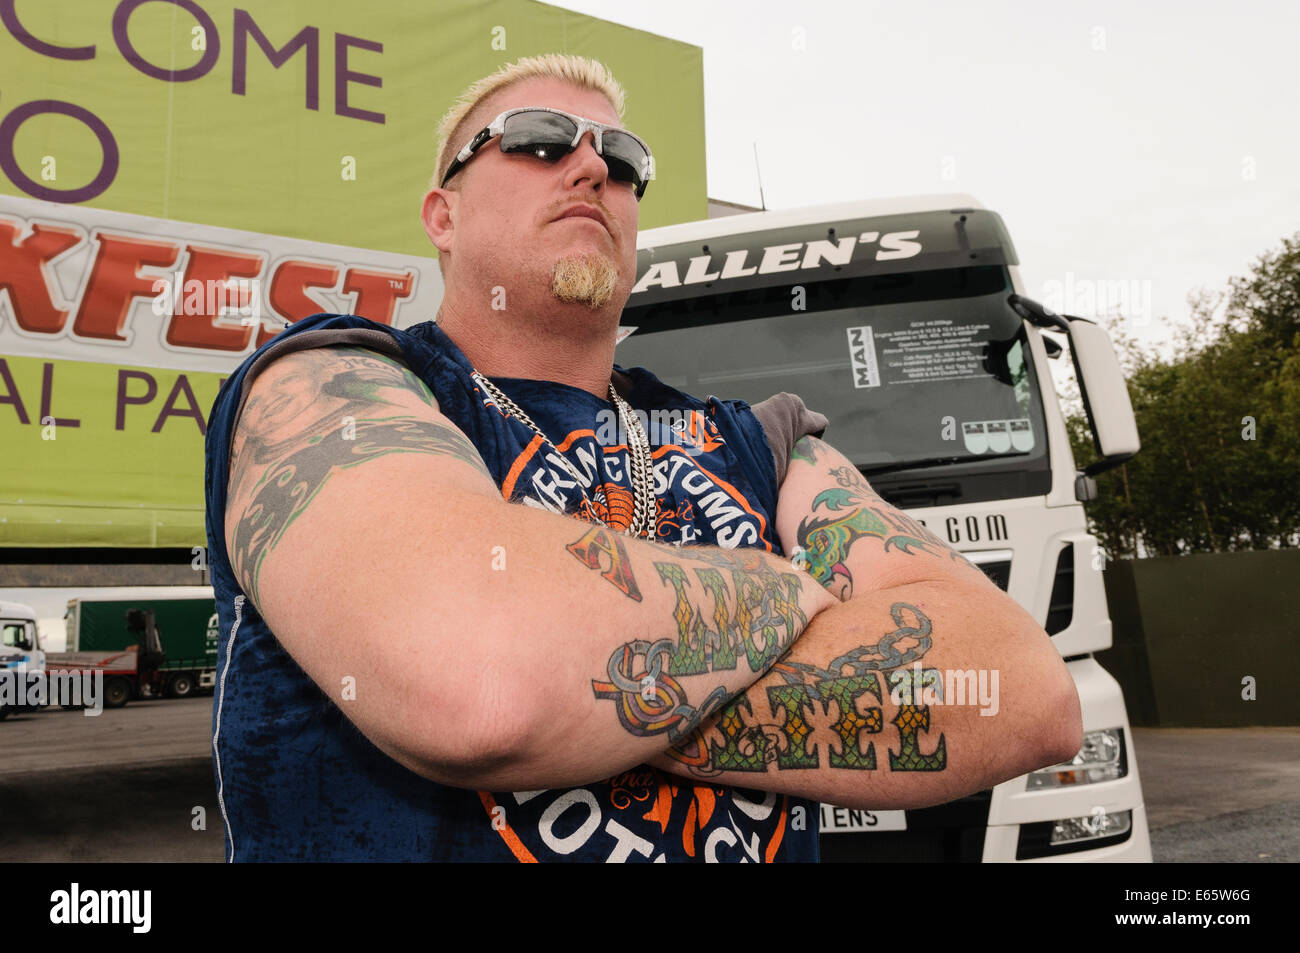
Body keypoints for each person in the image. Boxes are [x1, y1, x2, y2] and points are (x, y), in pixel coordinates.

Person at [203, 54, 1082, 862]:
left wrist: (598, 687)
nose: (592, 168)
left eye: (622, 160)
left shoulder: (764, 439)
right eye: (538, 141)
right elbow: (486, 681)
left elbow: (1021, 694)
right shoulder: (332, 384)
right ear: (445, 212)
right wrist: (796, 593)